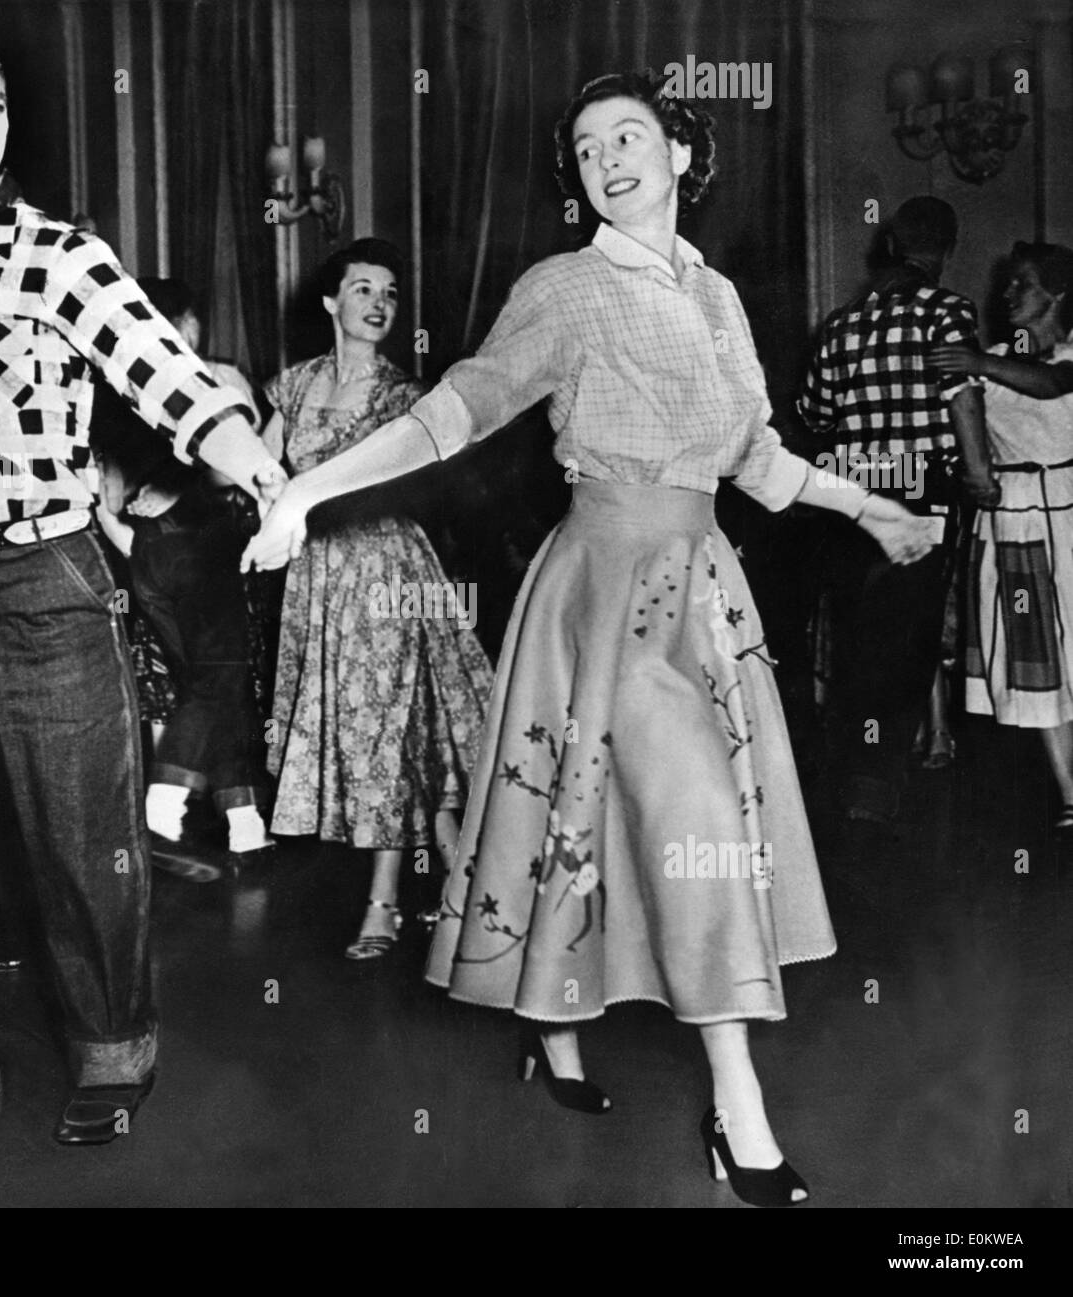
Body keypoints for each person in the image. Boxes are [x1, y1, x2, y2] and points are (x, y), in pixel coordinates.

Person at [244, 72, 935, 1205]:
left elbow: (755, 461)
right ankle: (738, 1109)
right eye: (583, 147)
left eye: (629, 136)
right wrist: (306, 493)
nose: (605, 157)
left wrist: (875, 508)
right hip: (602, 584)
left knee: (613, 818)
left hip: (705, 591)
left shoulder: (715, 297)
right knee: (681, 818)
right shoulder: (562, 289)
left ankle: (553, 1026)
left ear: (678, 155)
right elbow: (451, 410)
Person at [0, 24, 284, 1208]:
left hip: (48, 584)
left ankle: (110, 1053)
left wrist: (258, 468)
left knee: (84, 845)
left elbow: (165, 373)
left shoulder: (61, 256)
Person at [260, 238, 492, 959]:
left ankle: (385, 904)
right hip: (318, 581)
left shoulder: (404, 394)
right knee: (378, 735)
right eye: (363, 289)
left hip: (386, 574)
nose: (379, 304)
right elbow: (265, 474)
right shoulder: (291, 386)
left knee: (387, 733)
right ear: (332, 301)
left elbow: (410, 480)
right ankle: (466, 886)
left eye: (389, 293)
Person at [799, 196, 998, 830]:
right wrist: (978, 476)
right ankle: (878, 786)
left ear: (890, 243)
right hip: (925, 496)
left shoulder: (839, 323)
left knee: (859, 637)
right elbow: (962, 400)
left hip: (857, 498)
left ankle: (854, 778)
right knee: (909, 641)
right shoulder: (947, 312)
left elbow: (814, 416)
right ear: (945, 250)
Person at [96, 277, 274, 874]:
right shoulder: (213, 378)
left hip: (148, 555)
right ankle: (163, 801)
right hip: (201, 547)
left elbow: (99, 491)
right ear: (188, 326)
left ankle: (244, 825)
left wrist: (133, 534)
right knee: (220, 680)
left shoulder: (118, 388)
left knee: (213, 686)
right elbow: (228, 476)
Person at [931, 242, 1073, 828]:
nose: (1009, 293)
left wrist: (976, 365)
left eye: (1025, 283)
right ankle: (1070, 793)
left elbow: (1050, 384)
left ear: (1058, 295)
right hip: (1011, 522)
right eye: (1009, 283)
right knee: (1037, 660)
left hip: (1068, 513)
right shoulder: (987, 359)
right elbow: (964, 423)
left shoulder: (1056, 358)